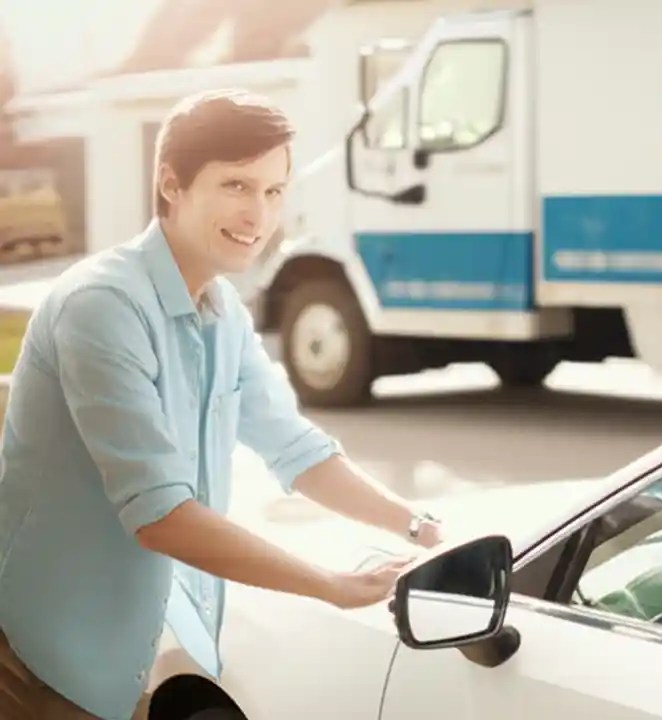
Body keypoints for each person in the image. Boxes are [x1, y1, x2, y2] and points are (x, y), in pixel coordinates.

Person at [0, 88, 443, 719]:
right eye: (237, 186)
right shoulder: (102, 306)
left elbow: (293, 448)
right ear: (171, 184)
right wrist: (332, 587)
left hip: (114, 659)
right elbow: (161, 515)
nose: (259, 215)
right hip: (35, 660)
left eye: (274, 190)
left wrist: (419, 527)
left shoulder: (220, 309)